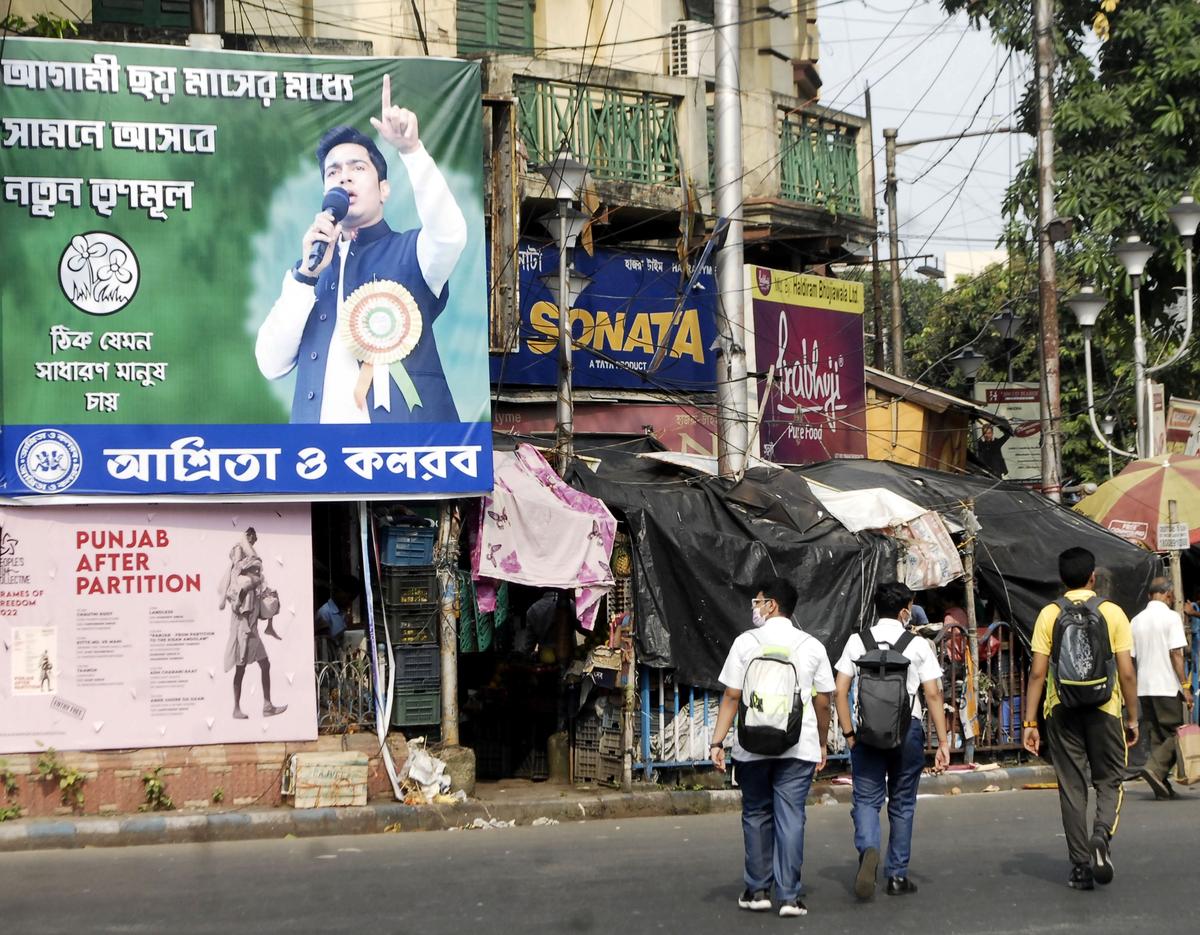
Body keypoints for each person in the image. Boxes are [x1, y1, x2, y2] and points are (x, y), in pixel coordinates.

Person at [256, 75, 468, 424]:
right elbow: (270, 363)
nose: (344, 177)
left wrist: (411, 151)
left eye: (358, 167)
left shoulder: (411, 251)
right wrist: (306, 276)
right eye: (333, 172)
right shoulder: (309, 270)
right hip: (319, 463)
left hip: (405, 460)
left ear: (384, 189)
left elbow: (450, 234)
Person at [708, 578, 834, 918]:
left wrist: (717, 742)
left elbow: (732, 696)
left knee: (756, 813)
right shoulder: (811, 646)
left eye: (758, 601)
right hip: (798, 746)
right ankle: (790, 897)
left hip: (751, 746)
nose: (755, 607)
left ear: (772, 605)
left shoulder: (746, 642)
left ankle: (758, 889)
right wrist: (822, 742)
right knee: (791, 817)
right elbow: (824, 701)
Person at [1023, 547, 1138, 891]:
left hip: (1061, 711)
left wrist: (1030, 724)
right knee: (1110, 780)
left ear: (1062, 580)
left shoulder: (1049, 614)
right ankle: (1101, 835)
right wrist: (1133, 717)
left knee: (1072, 789)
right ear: (1093, 578)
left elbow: (1037, 673)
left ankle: (1079, 868)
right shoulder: (1113, 612)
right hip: (1105, 709)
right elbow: (1127, 673)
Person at [834, 582, 950, 901]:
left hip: (868, 733)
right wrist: (942, 742)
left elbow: (840, 690)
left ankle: (869, 848)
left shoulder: (858, 642)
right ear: (904, 611)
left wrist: (849, 734)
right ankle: (897, 875)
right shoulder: (917, 645)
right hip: (908, 730)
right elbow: (934, 694)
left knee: (867, 800)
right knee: (902, 803)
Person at [1130, 577, 1194, 798]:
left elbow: (1130, 657)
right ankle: (1154, 768)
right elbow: (1176, 654)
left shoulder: (1136, 621)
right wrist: (1185, 685)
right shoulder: (1171, 618)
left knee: (1157, 734)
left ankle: (1161, 785)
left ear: (1150, 595)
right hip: (1166, 685)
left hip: (1144, 687)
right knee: (1177, 733)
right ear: (1168, 595)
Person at [221, 528, 287, 719]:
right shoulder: (247, 588)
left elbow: (261, 611)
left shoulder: (253, 588)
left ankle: (266, 705)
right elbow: (244, 612)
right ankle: (237, 708)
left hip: (252, 633)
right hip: (246, 634)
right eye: (256, 570)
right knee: (241, 670)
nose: (259, 573)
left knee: (264, 665)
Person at [315, 574, 360, 662]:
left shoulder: (343, 613)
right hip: (328, 662)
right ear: (338, 591)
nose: (349, 601)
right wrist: (347, 631)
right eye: (348, 597)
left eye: (351, 599)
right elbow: (324, 643)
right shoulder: (325, 613)